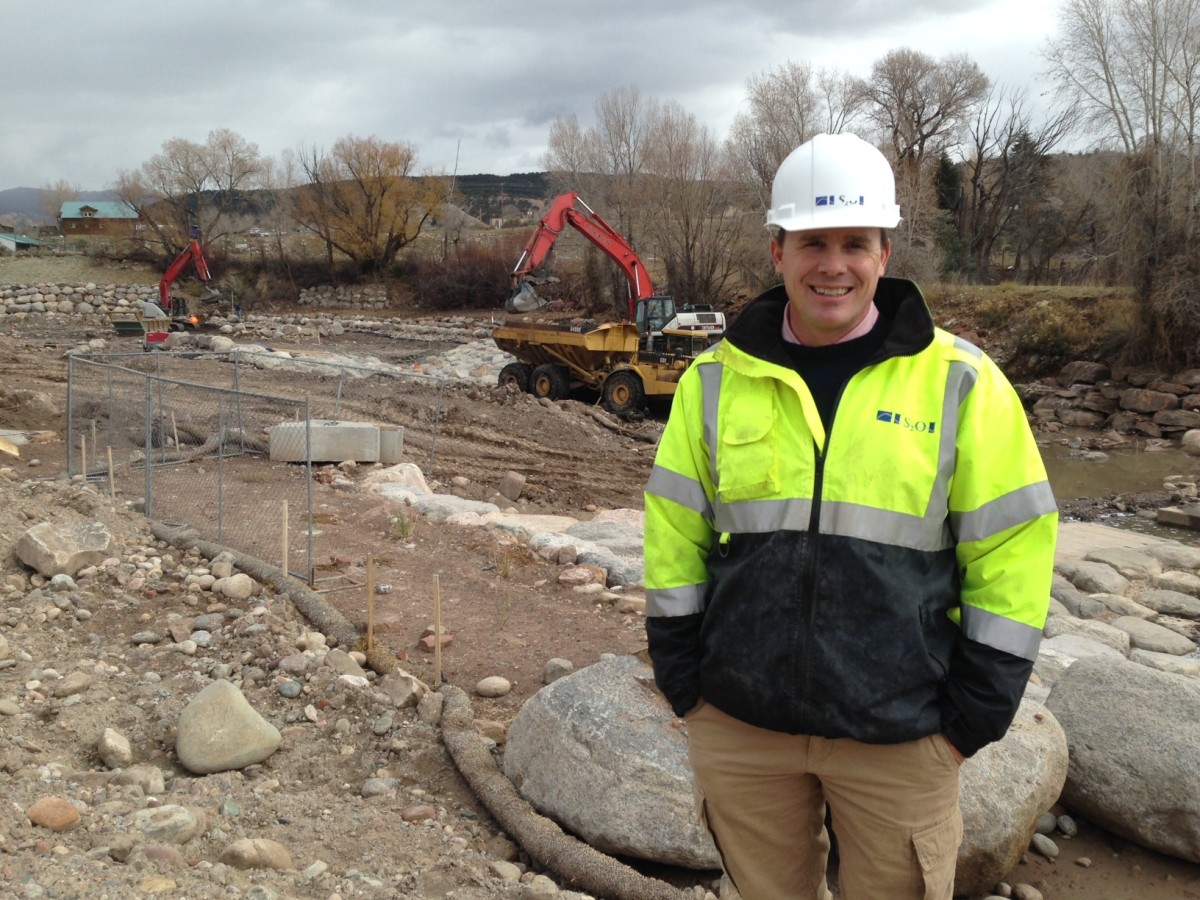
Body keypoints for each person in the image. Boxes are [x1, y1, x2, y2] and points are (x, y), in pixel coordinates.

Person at [643, 132, 1057, 900]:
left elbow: (1012, 549)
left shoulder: (962, 384)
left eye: (854, 243)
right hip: (742, 726)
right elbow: (674, 533)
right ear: (778, 251)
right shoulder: (712, 381)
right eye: (813, 242)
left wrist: (973, 715)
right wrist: (684, 682)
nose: (833, 264)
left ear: (884, 253)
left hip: (902, 735)